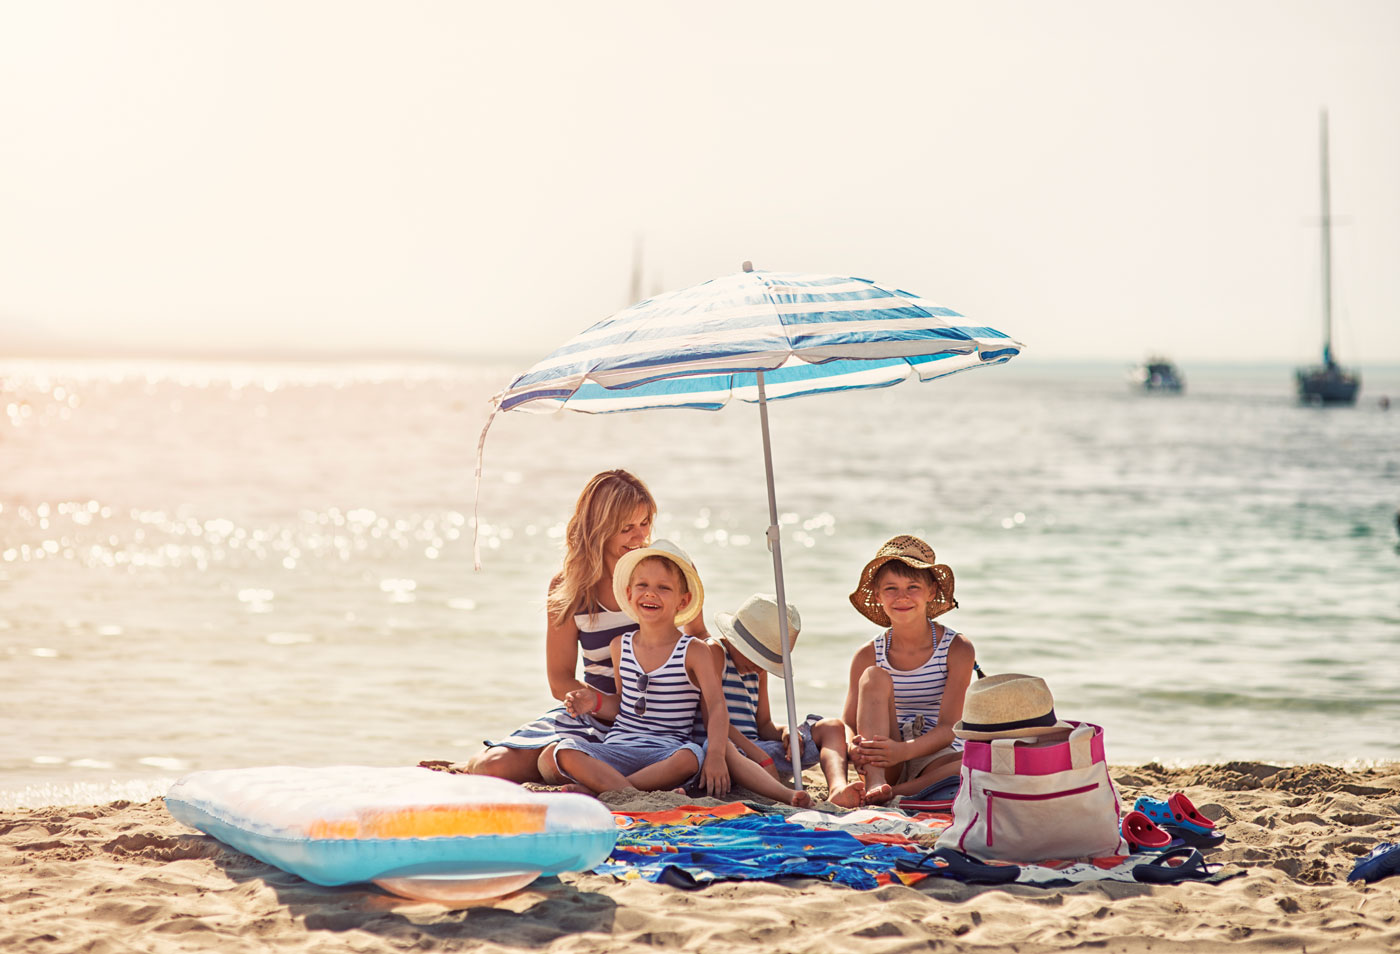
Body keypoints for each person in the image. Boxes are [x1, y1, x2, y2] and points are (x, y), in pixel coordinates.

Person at [466, 470, 706, 783]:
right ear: (599, 528)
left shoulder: (666, 574)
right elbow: (559, 678)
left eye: (645, 523)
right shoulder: (569, 587)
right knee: (492, 766)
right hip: (595, 711)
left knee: (553, 768)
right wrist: (599, 705)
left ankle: (604, 776)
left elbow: (699, 639)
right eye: (626, 528)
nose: (640, 536)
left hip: (662, 720)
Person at [540, 540, 731, 795]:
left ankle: (608, 790)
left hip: (666, 751)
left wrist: (716, 755)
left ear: (683, 601)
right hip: (618, 747)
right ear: (629, 594)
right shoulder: (620, 646)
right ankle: (634, 791)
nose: (650, 593)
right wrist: (594, 703)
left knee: (691, 757)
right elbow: (622, 703)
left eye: (663, 587)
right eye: (643, 585)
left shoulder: (694, 651)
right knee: (561, 752)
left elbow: (717, 705)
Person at [838, 535, 975, 806]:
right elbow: (848, 723)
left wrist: (903, 751)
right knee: (874, 676)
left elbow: (950, 727)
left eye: (913, 586)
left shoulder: (956, 648)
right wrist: (854, 745)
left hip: (935, 756)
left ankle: (902, 791)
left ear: (932, 592)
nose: (902, 597)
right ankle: (878, 783)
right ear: (877, 595)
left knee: (981, 760)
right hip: (884, 756)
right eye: (891, 588)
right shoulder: (868, 654)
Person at [700, 594, 850, 808]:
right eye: (759, 658)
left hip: (758, 751)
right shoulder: (714, 652)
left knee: (832, 727)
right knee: (727, 749)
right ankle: (781, 793)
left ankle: (838, 788)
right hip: (725, 749)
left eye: (768, 661)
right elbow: (711, 719)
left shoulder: (757, 670)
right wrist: (760, 757)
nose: (761, 667)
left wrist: (786, 731)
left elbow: (764, 725)